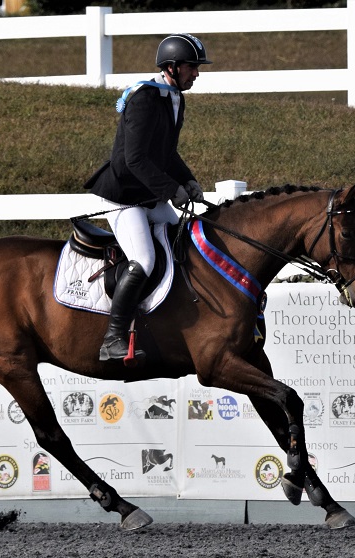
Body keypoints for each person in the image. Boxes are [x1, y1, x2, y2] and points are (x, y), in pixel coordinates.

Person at [84, 33, 211, 363]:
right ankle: (112, 339)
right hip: (123, 197)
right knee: (145, 260)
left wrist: (189, 181)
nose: (196, 74)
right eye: (192, 68)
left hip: (149, 196)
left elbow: (167, 153)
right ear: (172, 67)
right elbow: (134, 160)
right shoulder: (144, 97)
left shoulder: (175, 98)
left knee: (187, 241)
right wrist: (172, 191)